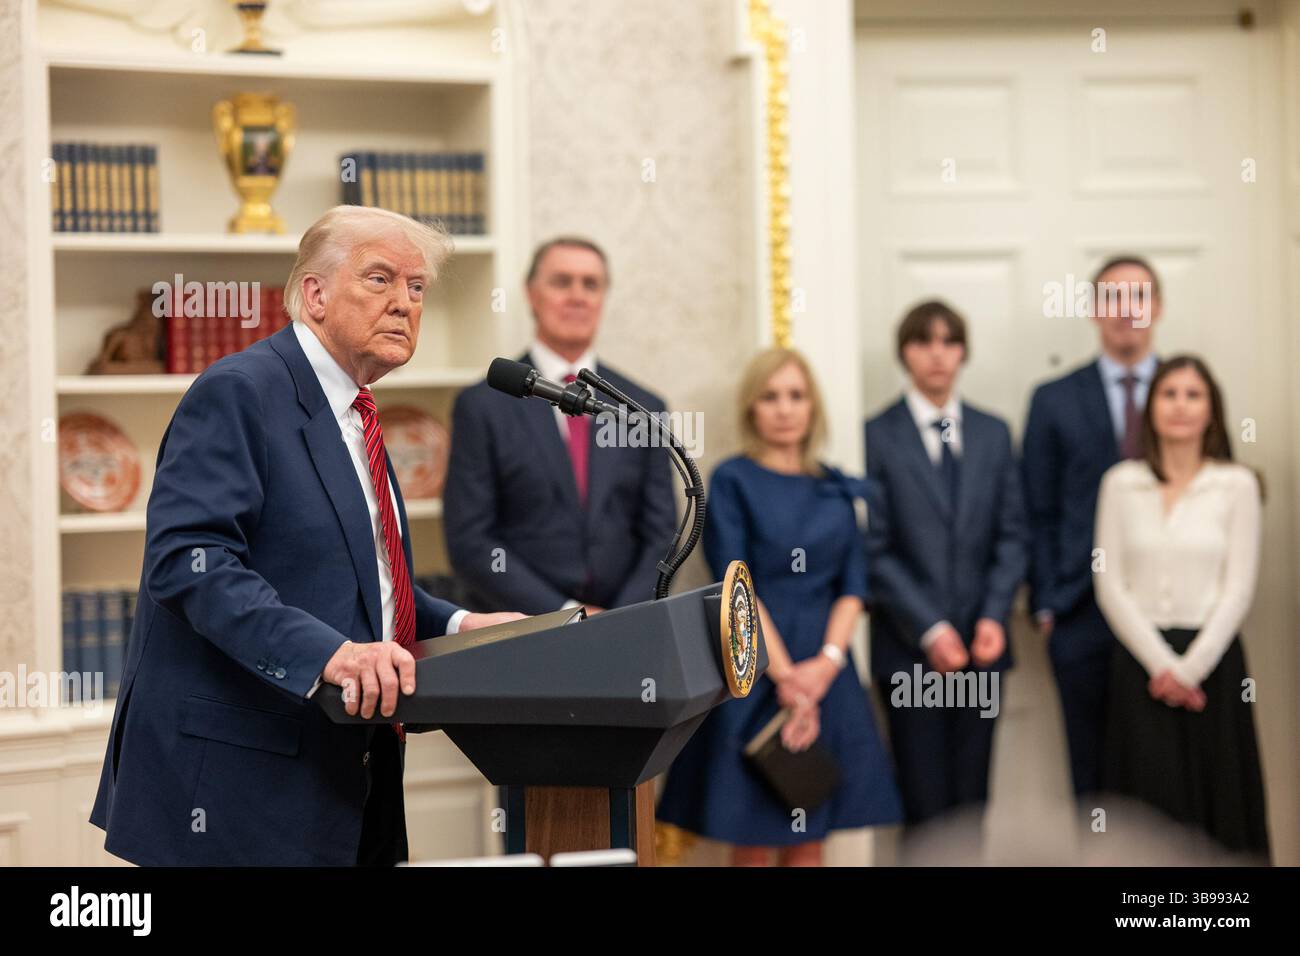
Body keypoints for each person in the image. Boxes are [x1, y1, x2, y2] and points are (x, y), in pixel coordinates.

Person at [89, 206, 523, 866]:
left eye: (416, 288)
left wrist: (462, 625)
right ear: (314, 294)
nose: (404, 303)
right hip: (240, 788)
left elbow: (361, 583)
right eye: (380, 279)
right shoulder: (240, 391)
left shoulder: (358, 414)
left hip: (354, 773)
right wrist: (331, 654)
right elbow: (189, 563)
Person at [656, 348, 903, 866]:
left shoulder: (835, 486)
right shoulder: (732, 480)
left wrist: (824, 668)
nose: (785, 408)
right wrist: (789, 679)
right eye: (771, 397)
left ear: (813, 407)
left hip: (826, 671)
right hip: (755, 667)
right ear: (752, 409)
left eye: (796, 396)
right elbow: (736, 586)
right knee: (754, 836)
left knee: (811, 834)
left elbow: (853, 588)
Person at [443, 237, 677, 616]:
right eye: (561, 282)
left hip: (626, 626)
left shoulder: (643, 407)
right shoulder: (482, 406)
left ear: (603, 298)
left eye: (590, 284)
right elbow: (471, 540)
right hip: (522, 629)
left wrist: (621, 617)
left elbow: (661, 534)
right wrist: (568, 613)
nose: (577, 296)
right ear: (531, 294)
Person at [1093, 355, 1269, 857]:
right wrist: (1162, 667)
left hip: (1211, 665)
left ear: (1212, 411)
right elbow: (1109, 582)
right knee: (1147, 813)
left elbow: (1238, 588)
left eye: (1193, 395)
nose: (1180, 406)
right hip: (1142, 665)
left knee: (1220, 810)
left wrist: (1190, 670)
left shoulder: (1237, 485)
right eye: (1169, 394)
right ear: (1150, 408)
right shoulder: (1120, 483)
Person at [865, 300, 1027, 826]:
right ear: (904, 352)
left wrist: (992, 616)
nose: (937, 354)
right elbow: (874, 547)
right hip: (911, 651)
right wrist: (931, 628)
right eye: (923, 341)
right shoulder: (874, 434)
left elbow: (1012, 535)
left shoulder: (994, 432)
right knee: (924, 802)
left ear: (963, 351)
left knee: (974, 801)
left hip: (983, 650)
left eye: (949, 341)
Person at [1022, 255, 1162, 798]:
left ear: (1158, 307)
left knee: (1164, 774)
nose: (1126, 311)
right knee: (1094, 778)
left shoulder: (1186, 395)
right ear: (1093, 310)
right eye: (1112, 298)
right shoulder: (1053, 398)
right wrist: (1046, 604)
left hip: (1168, 611)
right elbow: (1036, 508)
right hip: (1080, 611)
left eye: (1139, 297)